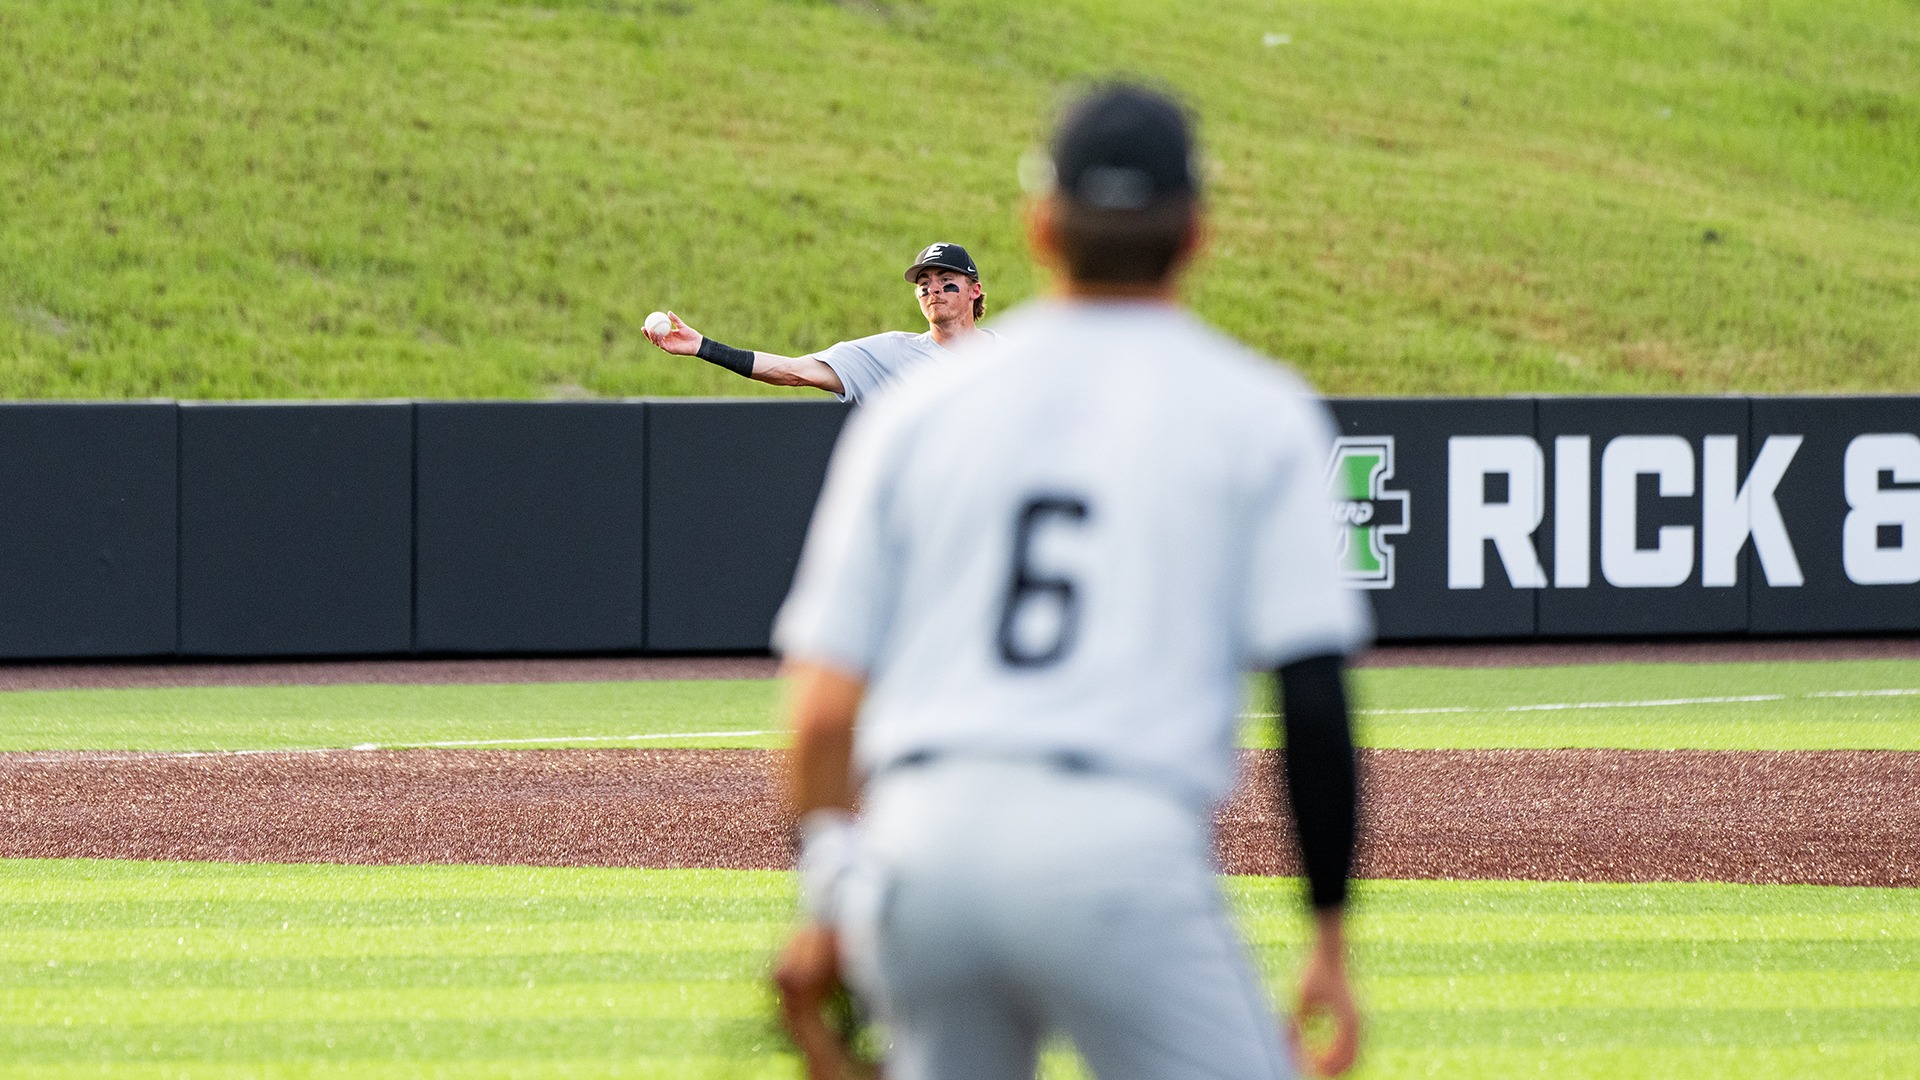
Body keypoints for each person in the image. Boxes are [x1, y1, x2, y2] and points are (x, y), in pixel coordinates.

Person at [769, 83, 1370, 1080]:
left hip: (924, 855)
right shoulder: (1258, 413)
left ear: (1040, 226)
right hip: (1117, 848)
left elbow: (822, 709)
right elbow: (1313, 702)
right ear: (1198, 234)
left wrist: (834, 897)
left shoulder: (914, 413)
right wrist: (1331, 944)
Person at [642, 243, 995, 405]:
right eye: (923, 282)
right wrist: (704, 347)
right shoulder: (892, 353)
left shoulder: (1011, 355)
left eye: (946, 278)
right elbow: (794, 371)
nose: (932, 288)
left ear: (975, 290)